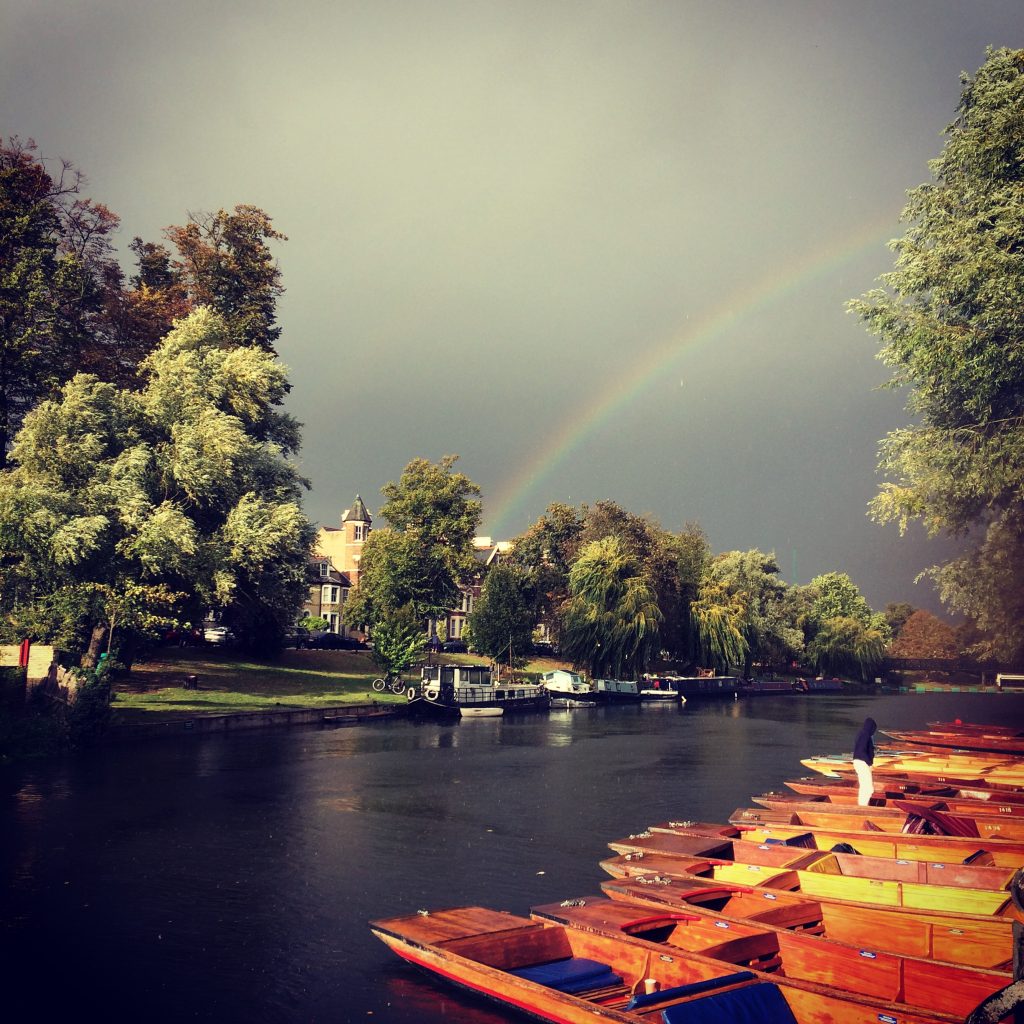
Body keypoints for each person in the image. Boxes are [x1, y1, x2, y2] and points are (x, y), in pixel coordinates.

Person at [853, 716, 877, 806]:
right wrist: (869, 763)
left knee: (865, 787)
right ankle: (863, 806)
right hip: (862, 763)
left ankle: (863, 805)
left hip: (861, 762)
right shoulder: (865, 735)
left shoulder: (863, 734)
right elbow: (861, 751)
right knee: (868, 788)